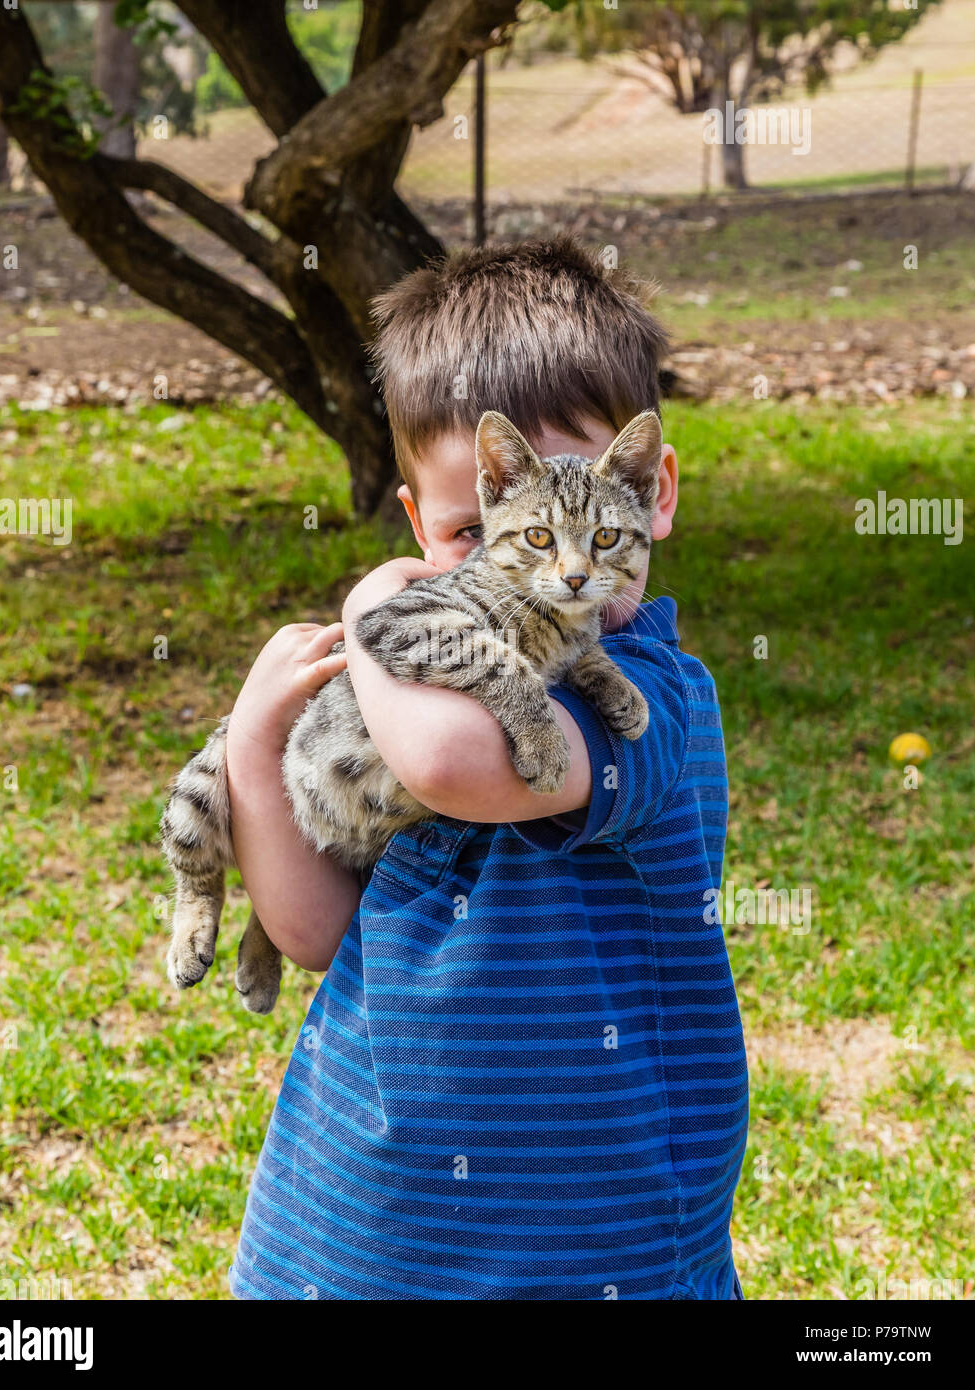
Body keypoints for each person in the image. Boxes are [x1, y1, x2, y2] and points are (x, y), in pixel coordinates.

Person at [225, 238, 749, 1300]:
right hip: (361, 1234)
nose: (547, 570)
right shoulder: (417, 699)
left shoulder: (653, 699)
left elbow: (456, 765)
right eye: (476, 529)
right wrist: (249, 748)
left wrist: (378, 612)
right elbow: (314, 930)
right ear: (422, 525)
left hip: (587, 1240)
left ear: (650, 493)